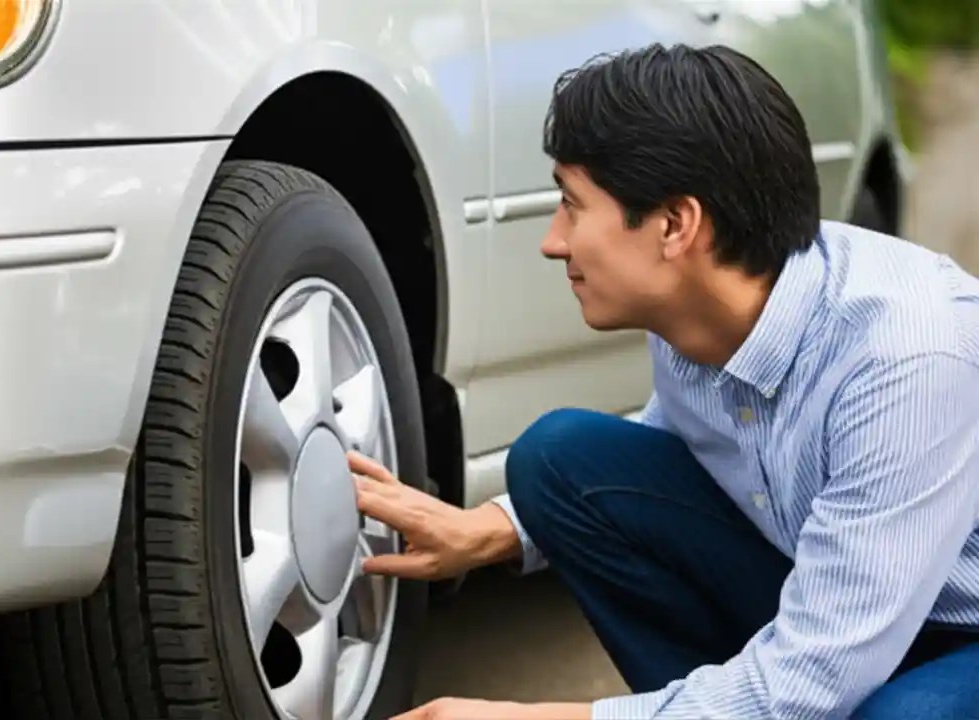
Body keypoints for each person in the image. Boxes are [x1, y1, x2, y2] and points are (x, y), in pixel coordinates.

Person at [350, 43, 979, 719]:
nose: (553, 240)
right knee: (560, 461)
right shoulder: (703, 304)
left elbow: (814, 679)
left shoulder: (905, 361)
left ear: (675, 225)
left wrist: (538, 719)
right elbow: (680, 448)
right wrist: (489, 531)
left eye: (572, 205)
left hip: (962, 632)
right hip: (836, 600)